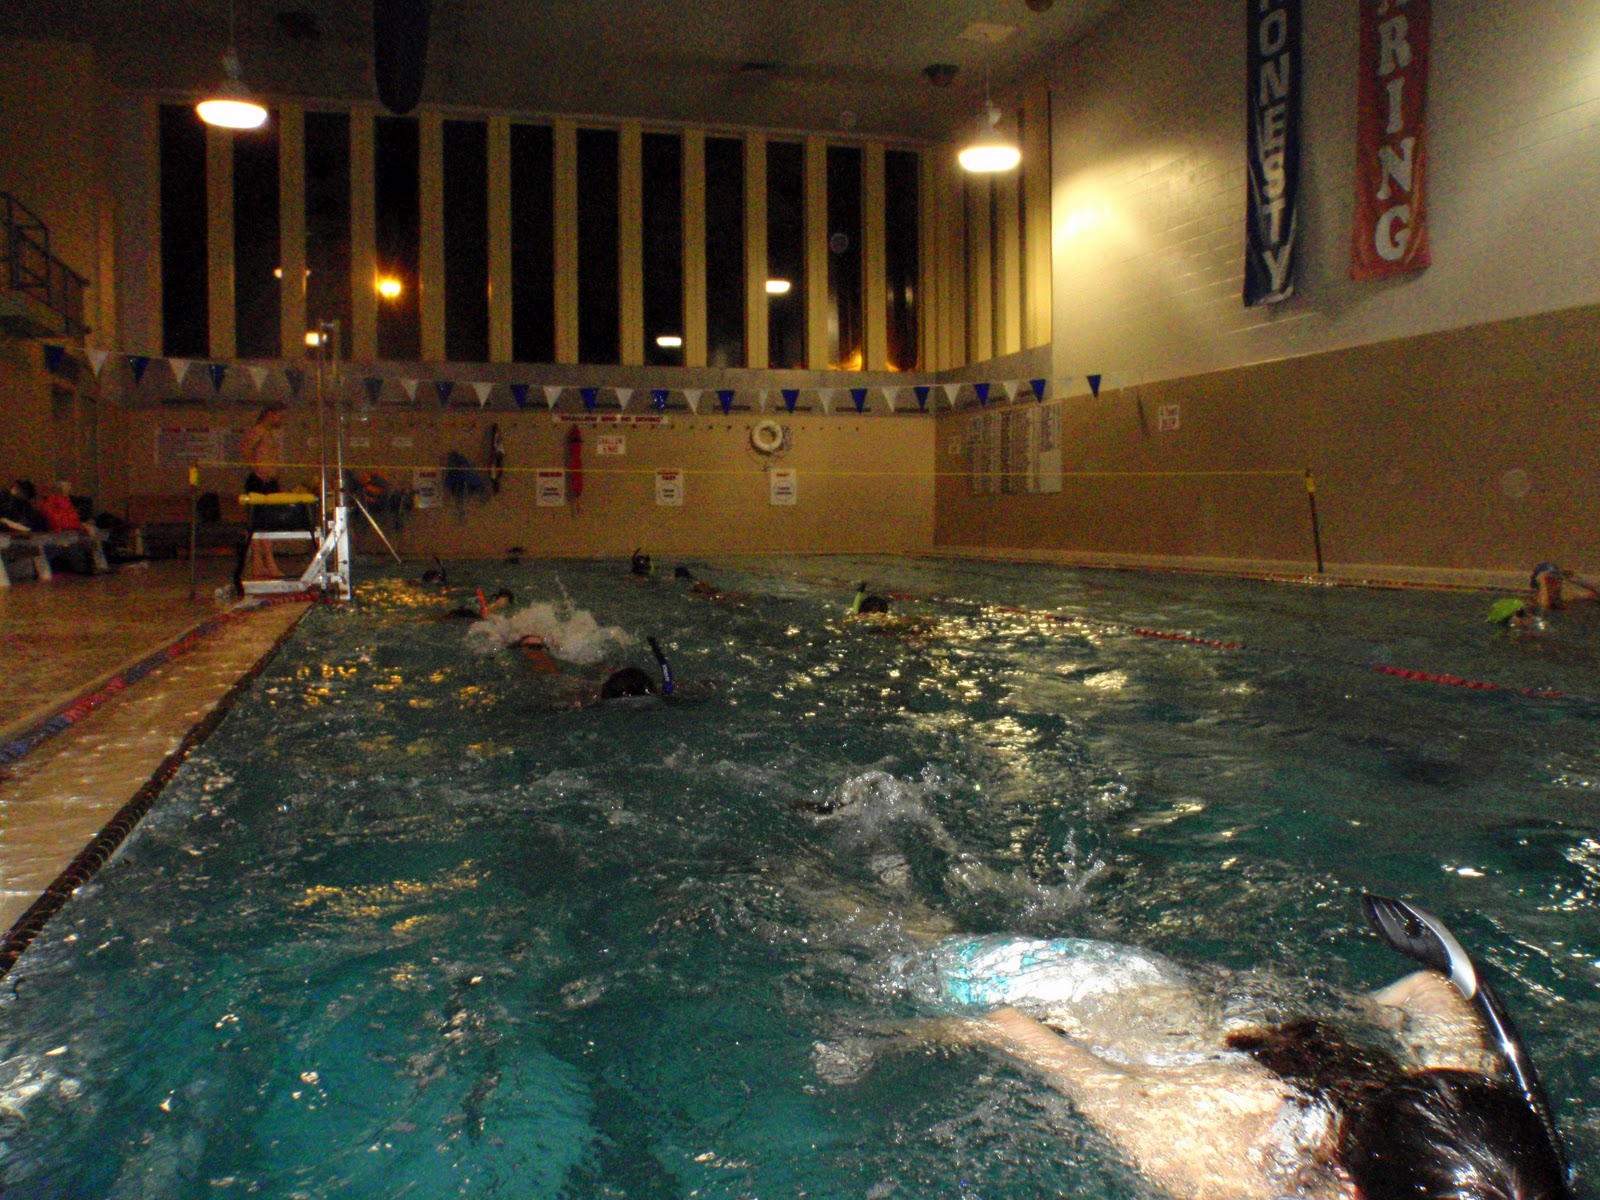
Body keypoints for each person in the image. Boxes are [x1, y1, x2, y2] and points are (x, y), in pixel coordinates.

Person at [872, 896, 1571, 1200]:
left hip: (1207, 1011)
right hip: (1074, 987)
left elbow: (1428, 985)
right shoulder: (1212, 1157)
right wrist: (910, 1035)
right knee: (893, 940)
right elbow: (1013, 1028)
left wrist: (1350, 1011)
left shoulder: (1453, 1118)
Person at [241, 404, 289, 578]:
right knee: (259, 523)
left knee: (266, 524)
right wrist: (257, 469)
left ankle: (261, 563)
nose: (281, 420)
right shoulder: (258, 431)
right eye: (280, 416)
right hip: (260, 481)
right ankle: (264, 562)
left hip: (269, 482)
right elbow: (246, 450)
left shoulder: (270, 433)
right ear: (270, 414)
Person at [1530, 562, 1598, 612]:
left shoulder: (1568, 600)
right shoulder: (1532, 603)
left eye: (1558, 580)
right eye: (1550, 581)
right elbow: (1545, 606)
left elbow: (1595, 595)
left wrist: (1579, 581)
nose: (1557, 585)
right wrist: (1543, 584)